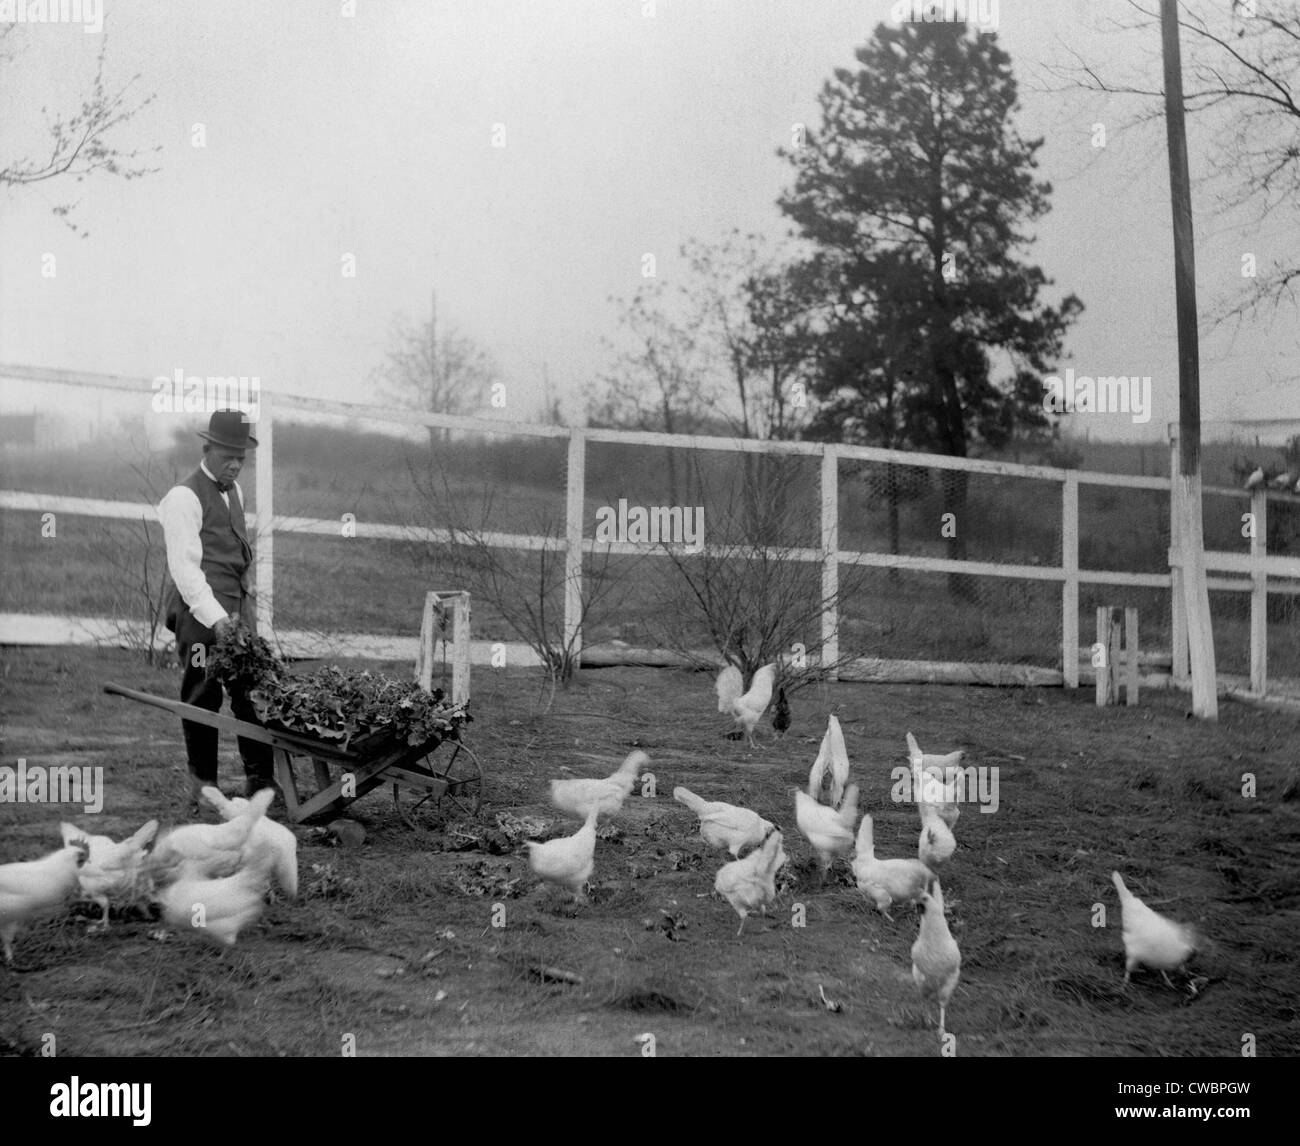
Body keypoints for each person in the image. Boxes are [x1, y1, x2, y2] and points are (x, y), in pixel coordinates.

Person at [158, 409, 275, 807]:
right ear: (208, 450)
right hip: (201, 613)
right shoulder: (183, 498)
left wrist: (244, 610)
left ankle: (260, 783)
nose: (236, 465)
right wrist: (218, 621)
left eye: (241, 458)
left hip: (238, 611)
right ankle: (203, 787)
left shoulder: (237, 493)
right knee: (203, 694)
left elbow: (237, 552)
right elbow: (185, 571)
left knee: (253, 692)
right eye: (228, 456)